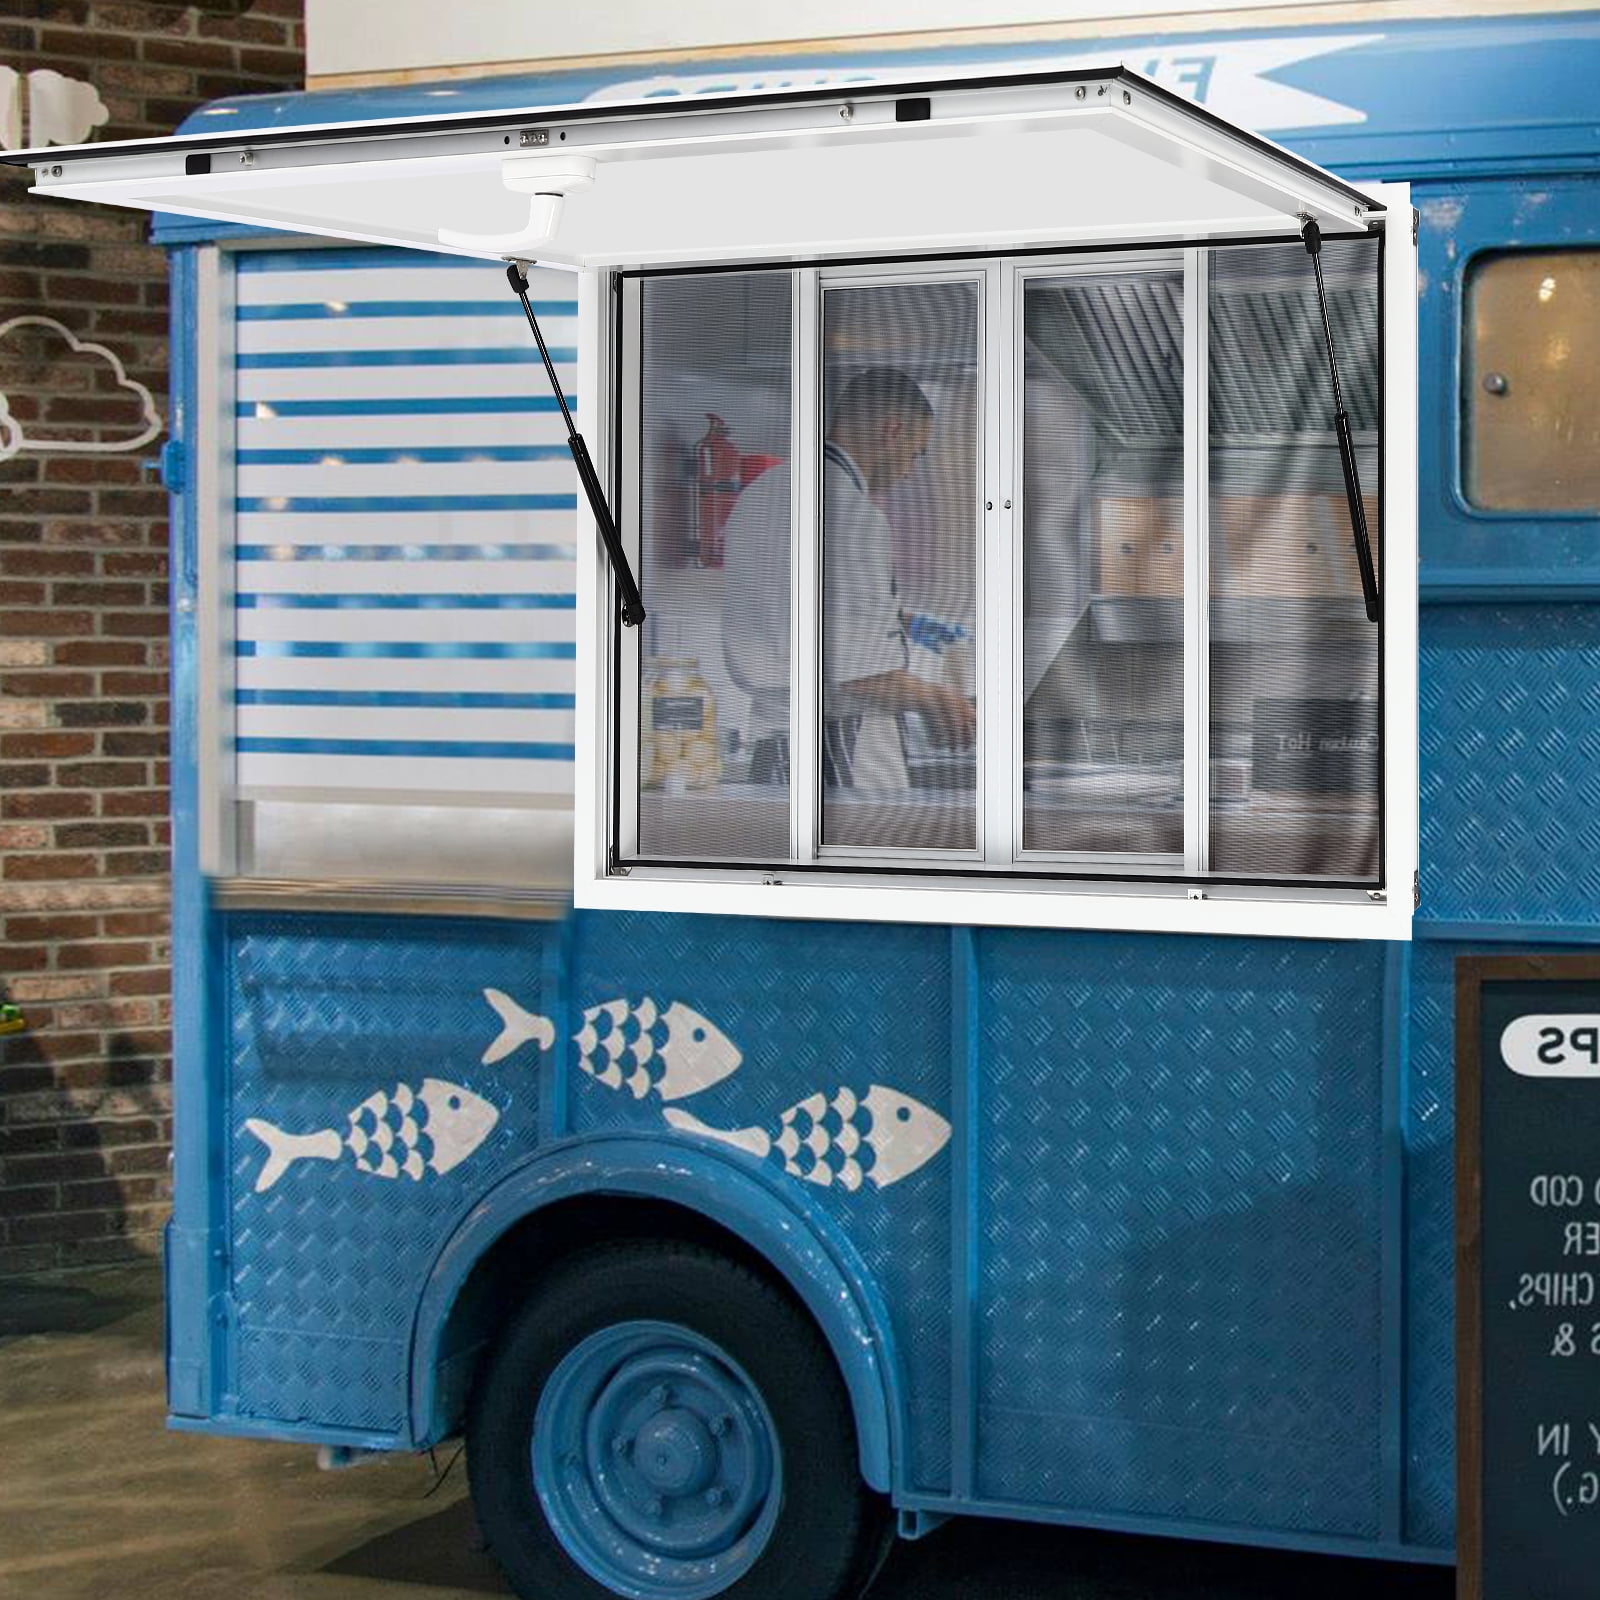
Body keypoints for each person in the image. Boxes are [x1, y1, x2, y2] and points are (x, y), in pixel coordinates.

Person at [722, 366, 976, 790]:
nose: (911, 470)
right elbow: (858, 672)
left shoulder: (763, 491)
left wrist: (904, 621)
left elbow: (798, 611)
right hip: (836, 751)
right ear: (891, 430)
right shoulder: (852, 514)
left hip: (771, 746)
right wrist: (940, 699)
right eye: (917, 452)